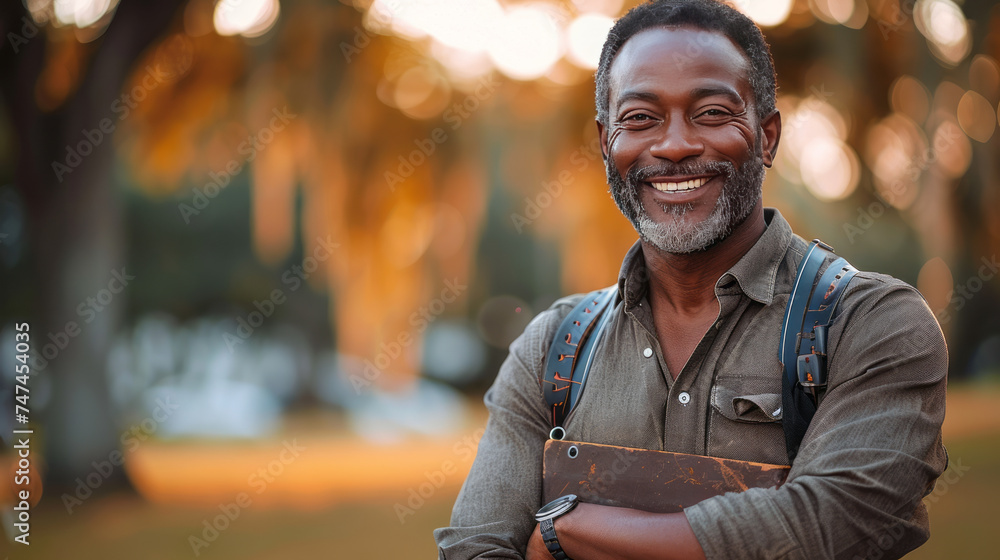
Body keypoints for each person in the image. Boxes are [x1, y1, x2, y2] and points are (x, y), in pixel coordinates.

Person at [434, 1, 948, 559]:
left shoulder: (871, 325)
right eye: (640, 118)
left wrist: (569, 531)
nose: (675, 146)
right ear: (607, 143)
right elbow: (474, 547)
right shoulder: (553, 350)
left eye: (710, 112)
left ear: (767, 135)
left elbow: (829, 525)